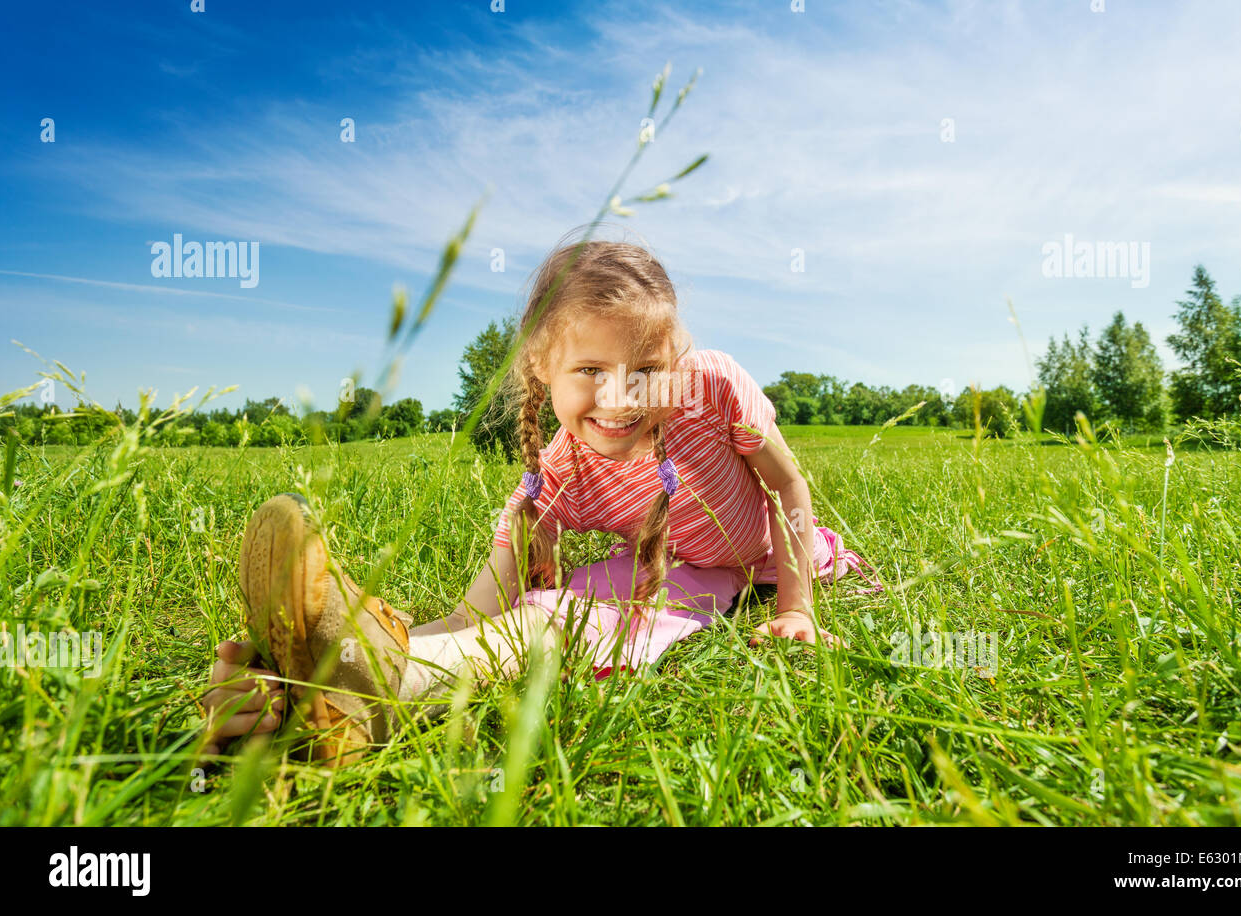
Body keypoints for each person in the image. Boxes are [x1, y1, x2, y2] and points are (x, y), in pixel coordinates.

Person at [199, 232, 883, 765]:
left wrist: (794, 607)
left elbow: (787, 483)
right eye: (589, 371)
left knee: (574, 615)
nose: (619, 399)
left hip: (772, 555)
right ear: (540, 369)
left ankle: (381, 683)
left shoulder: (710, 388)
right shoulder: (556, 475)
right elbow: (473, 612)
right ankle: (337, 676)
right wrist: (285, 677)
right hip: (672, 566)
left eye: (646, 372)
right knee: (552, 611)